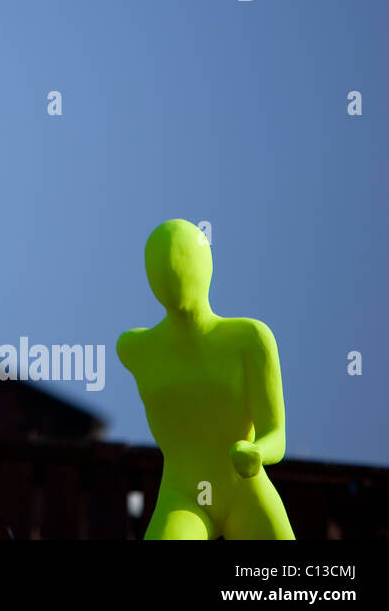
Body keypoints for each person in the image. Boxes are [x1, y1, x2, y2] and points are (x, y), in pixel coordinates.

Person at [117, 219, 294, 539]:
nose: (170, 272)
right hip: (182, 498)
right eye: (159, 265)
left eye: (181, 258)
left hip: (246, 493)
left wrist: (257, 452)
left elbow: (277, 435)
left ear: (205, 267)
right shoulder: (136, 349)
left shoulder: (250, 339)